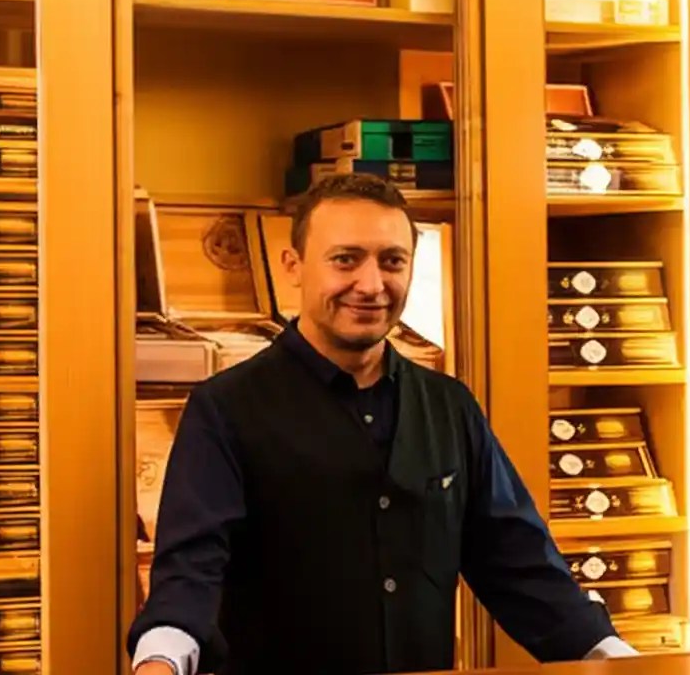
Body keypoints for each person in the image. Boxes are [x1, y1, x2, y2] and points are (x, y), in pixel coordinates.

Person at [127, 173, 636, 675]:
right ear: (294, 266)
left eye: (392, 261)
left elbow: (521, 566)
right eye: (345, 259)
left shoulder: (450, 406)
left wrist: (620, 660)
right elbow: (191, 570)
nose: (371, 285)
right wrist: (161, 659)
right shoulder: (225, 408)